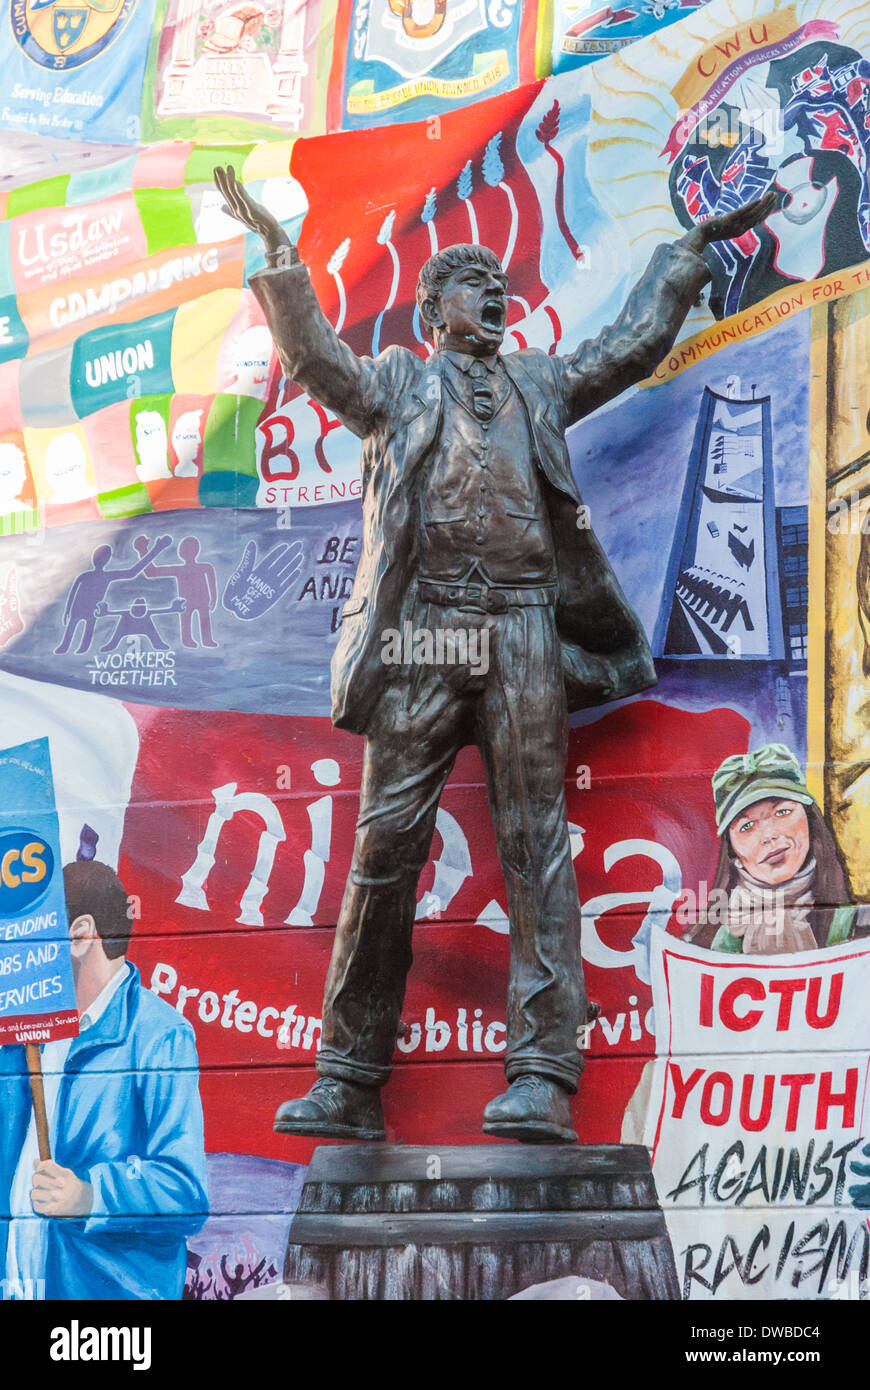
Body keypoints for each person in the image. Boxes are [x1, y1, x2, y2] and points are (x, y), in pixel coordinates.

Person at [215, 163, 776, 1142]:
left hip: (523, 627)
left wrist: (689, 257)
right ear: (434, 310)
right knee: (386, 847)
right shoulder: (393, 384)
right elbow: (317, 364)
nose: (496, 292)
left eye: (499, 280)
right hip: (429, 630)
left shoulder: (540, 380)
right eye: (474, 280)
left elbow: (630, 346)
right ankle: (349, 1078)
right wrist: (278, 258)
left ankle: (544, 1076)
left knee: (534, 846)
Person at [0, 857, 208, 1300]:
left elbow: (186, 1193)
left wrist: (90, 1195)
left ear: (79, 935)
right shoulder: (21, 1038)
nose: (18, 957)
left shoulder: (158, 1035)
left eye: (33, 939)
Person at [685, 743, 870, 953]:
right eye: (746, 826)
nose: (769, 835)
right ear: (733, 853)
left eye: (782, 812)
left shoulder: (859, 924)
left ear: (810, 819)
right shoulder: (716, 945)